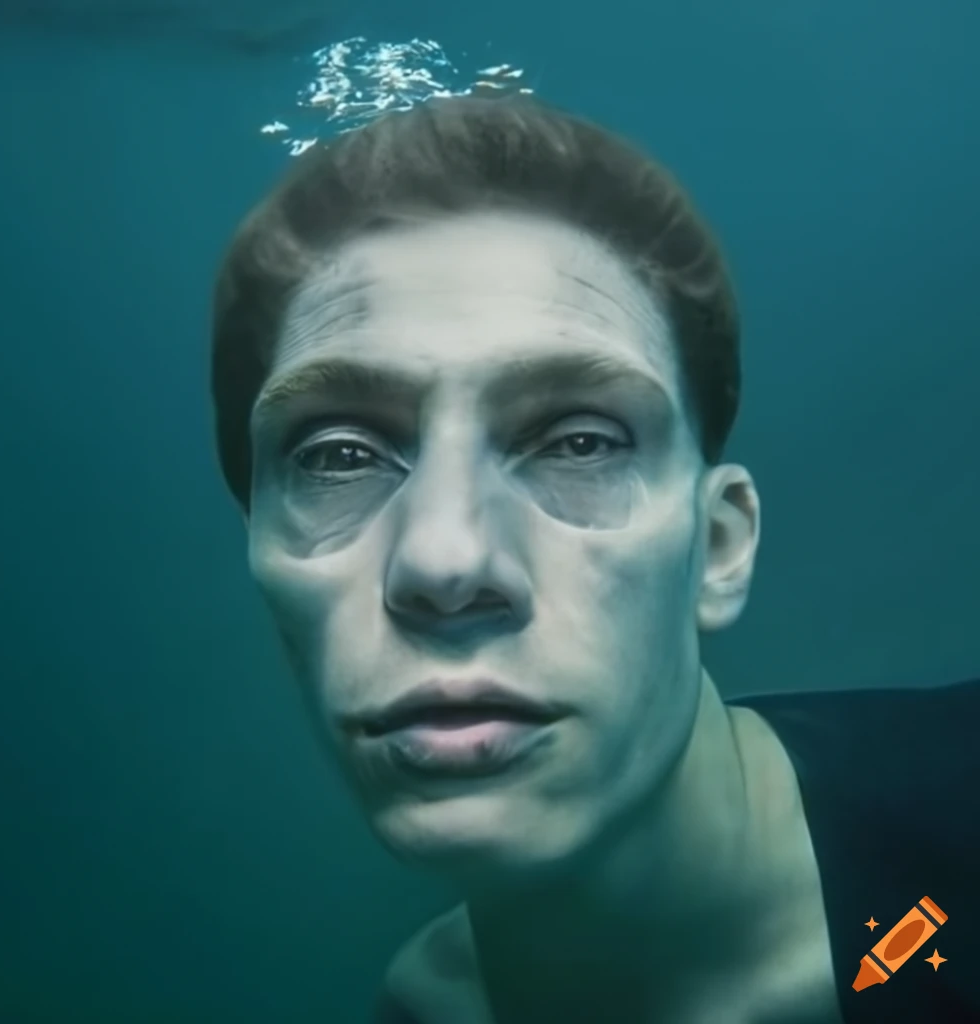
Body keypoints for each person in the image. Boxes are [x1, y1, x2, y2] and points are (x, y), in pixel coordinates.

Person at [210, 94, 979, 1023]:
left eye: (581, 442)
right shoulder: (426, 1010)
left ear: (720, 547)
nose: (445, 560)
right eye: (338, 457)